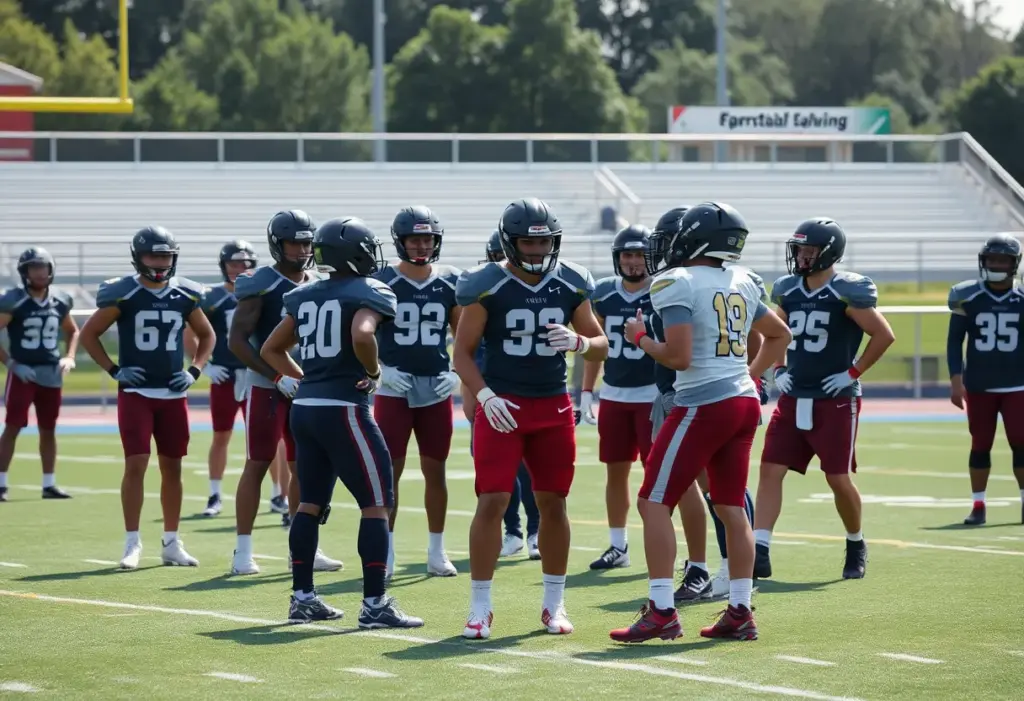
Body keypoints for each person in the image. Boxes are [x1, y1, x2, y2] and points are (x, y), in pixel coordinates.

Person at [609, 202, 791, 643]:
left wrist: (640, 339)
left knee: (653, 501)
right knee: (729, 507)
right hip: (743, 402)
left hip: (701, 402)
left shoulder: (677, 280)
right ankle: (741, 610)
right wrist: (749, 373)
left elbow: (677, 357)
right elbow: (780, 335)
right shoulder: (743, 279)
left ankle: (662, 611)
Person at [453, 198, 608, 639]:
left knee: (554, 502)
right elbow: (461, 354)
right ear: (510, 242)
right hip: (503, 406)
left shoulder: (571, 282)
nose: (538, 251)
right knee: (493, 501)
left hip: (552, 405)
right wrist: (484, 395)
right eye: (529, 242)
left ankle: (554, 604)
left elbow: (601, 342)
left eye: (544, 242)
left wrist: (579, 342)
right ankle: (480, 606)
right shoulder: (486, 285)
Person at [261, 216, 422, 628]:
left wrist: (304, 379)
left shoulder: (304, 294)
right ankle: (375, 604)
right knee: (376, 506)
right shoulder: (368, 290)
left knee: (309, 504)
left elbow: (271, 349)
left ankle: (303, 598)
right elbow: (362, 334)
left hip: (306, 409)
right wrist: (371, 373)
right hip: (345, 410)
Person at [753, 218, 895, 581]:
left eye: (809, 250)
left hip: (835, 399)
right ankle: (761, 548)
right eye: (799, 249)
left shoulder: (846, 290)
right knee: (770, 470)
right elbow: (777, 333)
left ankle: (855, 542)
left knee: (837, 478)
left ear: (828, 253)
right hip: (795, 394)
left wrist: (852, 372)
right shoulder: (788, 289)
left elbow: (883, 335)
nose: (801, 256)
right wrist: (779, 369)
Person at [79, 227, 216, 569]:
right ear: (138, 257)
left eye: (166, 256)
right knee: (136, 464)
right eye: (154, 256)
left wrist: (195, 370)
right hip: (136, 393)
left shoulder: (185, 294)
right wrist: (113, 370)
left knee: (173, 467)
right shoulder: (124, 294)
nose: (160, 262)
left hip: (172, 393)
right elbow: (89, 334)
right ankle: (131, 541)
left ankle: (171, 541)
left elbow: (207, 334)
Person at [228, 210, 342, 576]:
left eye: (307, 242)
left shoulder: (319, 282)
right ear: (278, 244)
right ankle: (243, 549)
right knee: (258, 463)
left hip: (308, 386)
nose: (301, 249)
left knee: (304, 469)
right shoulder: (260, 282)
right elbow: (237, 341)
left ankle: (304, 547)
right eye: (295, 242)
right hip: (266, 386)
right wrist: (277, 377)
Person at [373, 206, 461, 578]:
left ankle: (436, 549)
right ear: (401, 242)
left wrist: (456, 371)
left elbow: (467, 335)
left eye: (427, 238)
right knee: (388, 472)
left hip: (435, 387)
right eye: (414, 239)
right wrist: (378, 371)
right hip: (394, 387)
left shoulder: (451, 282)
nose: (421, 245)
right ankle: (387, 548)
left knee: (435, 471)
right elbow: (360, 332)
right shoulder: (381, 281)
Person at [579, 225, 656, 570]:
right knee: (616, 473)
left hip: (654, 396)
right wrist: (585, 392)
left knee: (663, 475)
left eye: (640, 254)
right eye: (627, 254)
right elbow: (595, 347)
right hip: (614, 395)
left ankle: (675, 546)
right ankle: (618, 546)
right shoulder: (604, 294)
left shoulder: (664, 290)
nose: (633, 261)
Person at [462, 230, 540, 560]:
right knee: (493, 475)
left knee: (529, 469)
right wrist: (473, 401)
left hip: (524, 391)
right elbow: (465, 355)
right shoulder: (480, 294)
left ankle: (535, 530)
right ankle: (512, 531)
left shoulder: (531, 293)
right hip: (487, 392)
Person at [946, 234, 1024, 526]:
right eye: (992, 259)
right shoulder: (968, 297)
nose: (996, 264)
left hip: (1018, 384)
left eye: (1002, 260)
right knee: (980, 445)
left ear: (1013, 264)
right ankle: (978, 504)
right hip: (979, 385)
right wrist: (956, 380)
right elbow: (955, 342)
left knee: (1021, 443)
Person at [184, 240, 258, 517]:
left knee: (269, 439)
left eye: (245, 264)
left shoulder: (261, 293)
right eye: (234, 264)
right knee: (221, 435)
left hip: (257, 376)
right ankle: (215, 494)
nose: (239, 269)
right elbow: (189, 333)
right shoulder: (211, 297)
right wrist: (204, 365)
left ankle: (279, 495)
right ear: (224, 266)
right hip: (225, 375)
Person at [0, 247, 78, 502]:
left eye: (43, 267)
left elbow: (72, 331)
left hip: (50, 372)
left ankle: (49, 484)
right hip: (23, 372)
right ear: (25, 272)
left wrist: (69, 356)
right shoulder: (14, 299)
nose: (40, 273)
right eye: (34, 268)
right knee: (12, 427)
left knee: (48, 428)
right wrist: (11, 363)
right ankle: (1, 483)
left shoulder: (60, 299)